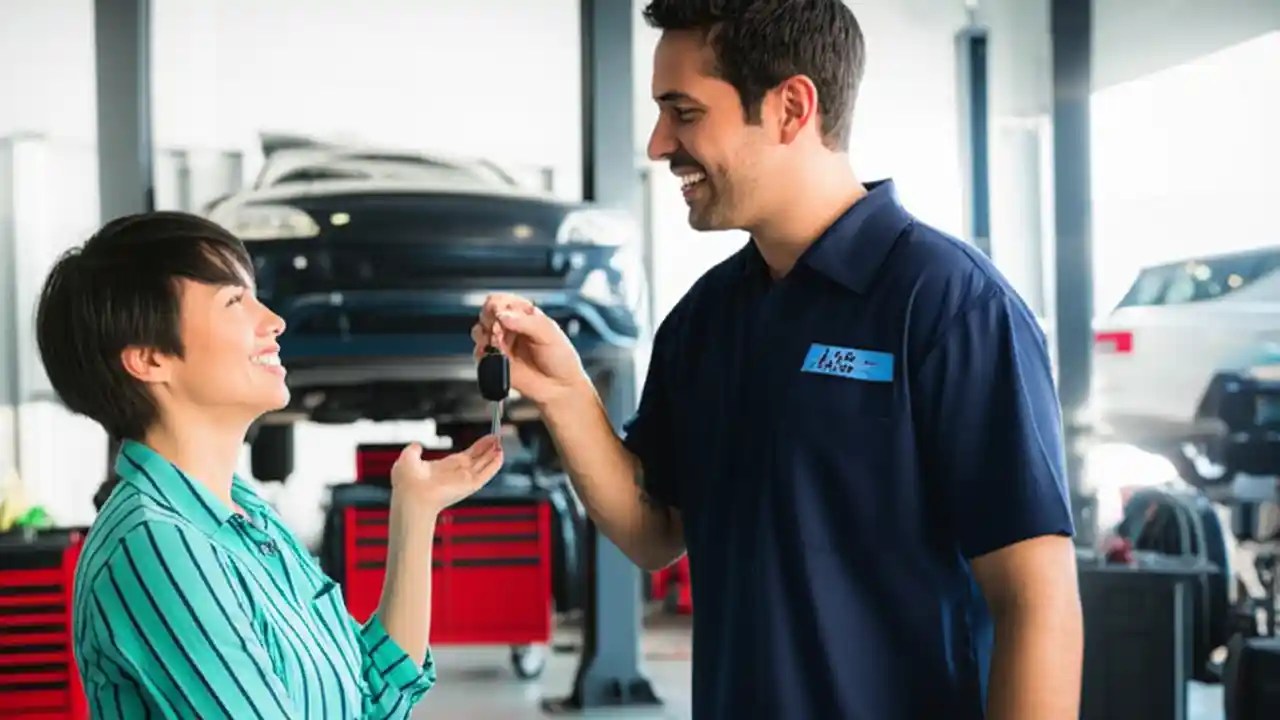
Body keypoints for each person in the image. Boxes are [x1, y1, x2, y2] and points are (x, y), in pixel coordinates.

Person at [472, 1, 1084, 718]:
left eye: (685, 112)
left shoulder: (949, 305)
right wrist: (566, 394)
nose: (658, 143)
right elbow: (655, 531)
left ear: (792, 106)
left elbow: (1036, 598)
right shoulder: (707, 318)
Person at [36, 211, 504, 719]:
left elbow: (373, 700)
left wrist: (416, 513)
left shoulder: (245, 518)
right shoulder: (155, 544)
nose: (274, 321)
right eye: (235, 302)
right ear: (150, 359)